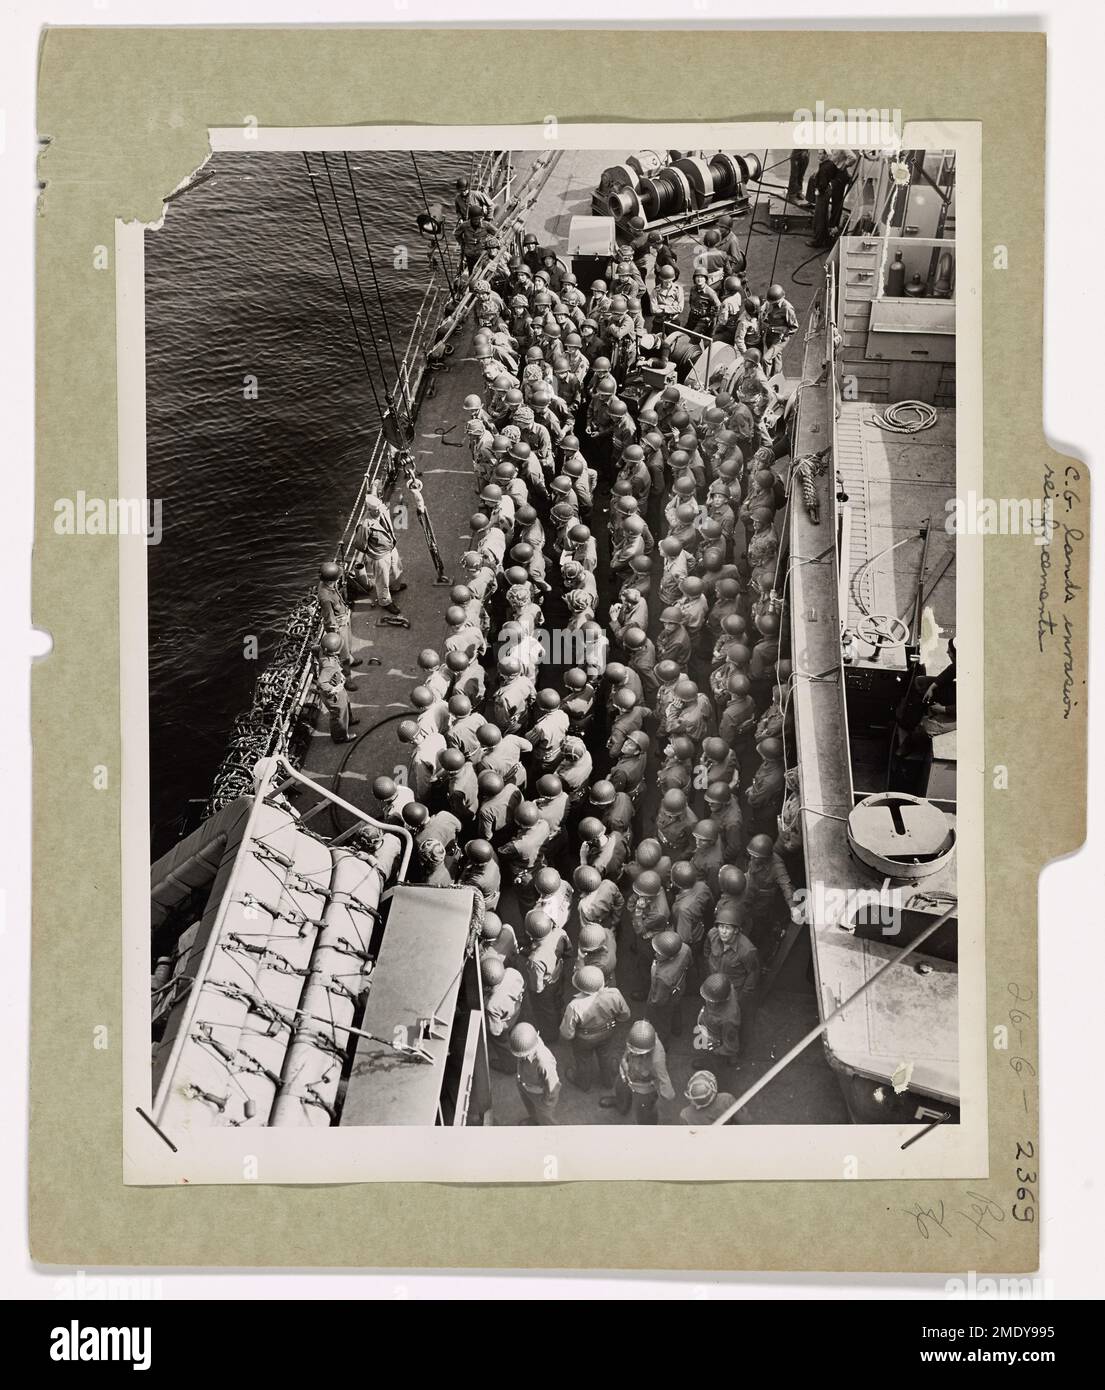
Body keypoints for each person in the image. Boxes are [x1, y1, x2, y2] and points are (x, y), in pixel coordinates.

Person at [559, 966, 630, 1092]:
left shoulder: (574, 1006)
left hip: (584, 1039)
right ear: (603, 983)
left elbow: (567, 1033)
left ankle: (583, 1083)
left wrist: (571, 1036)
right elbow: (625, 1015)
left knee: (583, 1060)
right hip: (607, 1032)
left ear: (578, 986)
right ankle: (608, 1081)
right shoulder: (614, 994)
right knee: (606, 1055)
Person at [600, 1020, 675, 1123]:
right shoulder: (637, 1036)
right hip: (627, 1074)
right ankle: (621, 1104)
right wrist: (624, 1061)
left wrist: (658, 1095)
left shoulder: (657, 1059)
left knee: (645, 1110)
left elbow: (667, 1088)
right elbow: (629, 1049)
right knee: (621, 1089)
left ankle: (647, 1127)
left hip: (644, 1087)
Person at [354, 481, 404, 614]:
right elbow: (360, 544)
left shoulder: (381, 509)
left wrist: (375, 487)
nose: (377, 512)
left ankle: (395, 587)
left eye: (378, 508)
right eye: (374, 510)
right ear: (369, 509)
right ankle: (385, 601)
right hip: (379, 556)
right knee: (382, 580)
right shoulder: (365, 525)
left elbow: (376, 499)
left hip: (391, 548)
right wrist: (373, 553)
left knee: (396, 569)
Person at [481, 954, 526, 1074]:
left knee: (500, 1041)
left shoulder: (491, 1004)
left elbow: (496, 1031)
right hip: (517, 1010)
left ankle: (509, 1066)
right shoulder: (512, 973)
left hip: (505, 1022)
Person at [510, 1022, 561, 1125]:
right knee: (531, 1107)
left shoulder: (544, 1061)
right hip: (525, 1085)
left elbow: (553, 1086)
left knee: (545, 1118)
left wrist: (546, 1103)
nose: (520, 1057)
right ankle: (535, 1120)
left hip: (539, 1093)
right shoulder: (523, 1047)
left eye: (524, 1055)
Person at [314, 632, 359, 743]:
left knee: (346, 703)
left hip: (337, 685)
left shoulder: (322, 650)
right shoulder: (329, 666)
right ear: (335, 652)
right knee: (338, 714)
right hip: (333, 695)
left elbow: (314, 649)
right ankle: (340, 736)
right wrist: (333, 690)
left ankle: (349, 720)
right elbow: (321, 682)